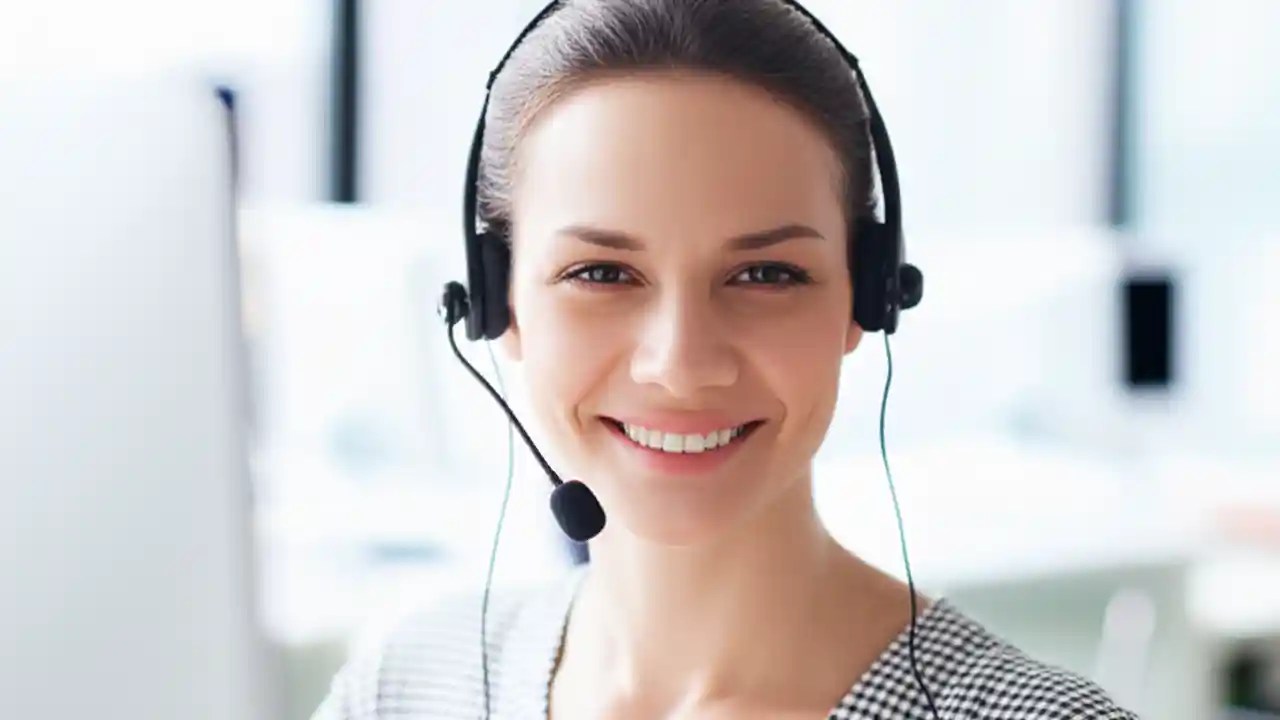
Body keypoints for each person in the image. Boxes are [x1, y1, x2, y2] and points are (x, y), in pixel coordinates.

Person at [313, 1, 1141, 718]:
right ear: (496, 304)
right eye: (601, 273)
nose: (681, 363)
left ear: (867, 298)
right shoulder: (407, 687)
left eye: (766, 274)